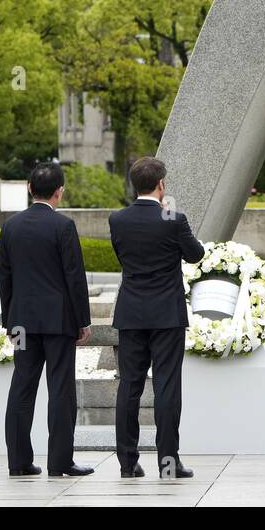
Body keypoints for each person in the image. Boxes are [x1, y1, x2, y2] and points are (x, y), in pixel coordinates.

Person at [109, 156, 205, 478]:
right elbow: (195, 254)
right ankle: (168, 462)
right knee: (167, 387)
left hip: (131, 312)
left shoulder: (117, 219)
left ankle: (127, 462)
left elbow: (122, 256)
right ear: (162, 184)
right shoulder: (173, 219)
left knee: (129, 387)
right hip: (166, 314)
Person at [0, 162, 94, 478]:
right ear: (59, 192)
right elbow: (74, 278)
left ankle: (19, 461)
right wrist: (83, 320)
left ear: (29, 188)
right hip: (58, 321)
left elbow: (5, 277)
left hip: (22, 321)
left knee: (21, 387)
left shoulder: (10, 227)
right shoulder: (63, 227)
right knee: (61, 389)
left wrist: (9, 320)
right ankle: (60, 461)